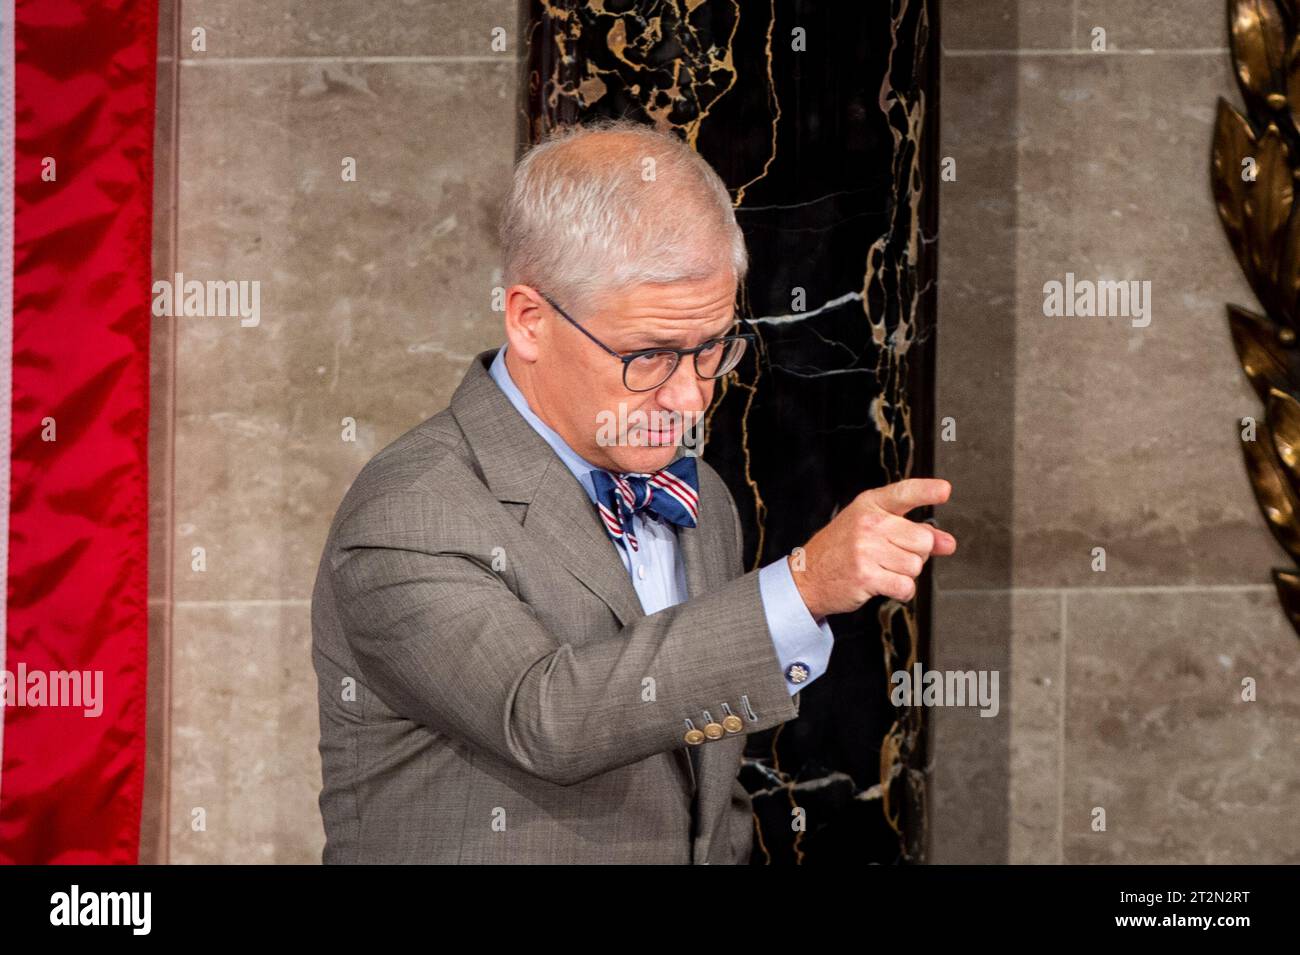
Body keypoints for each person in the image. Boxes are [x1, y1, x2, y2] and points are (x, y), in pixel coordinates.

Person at [310, 117, 956, 864]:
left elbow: (702, 786)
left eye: (712, 348)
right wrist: (801, 588)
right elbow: (545, 714)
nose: (689, 397)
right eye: (649, 355)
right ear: (529, 320)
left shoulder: (701, 496)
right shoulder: (409, 510)